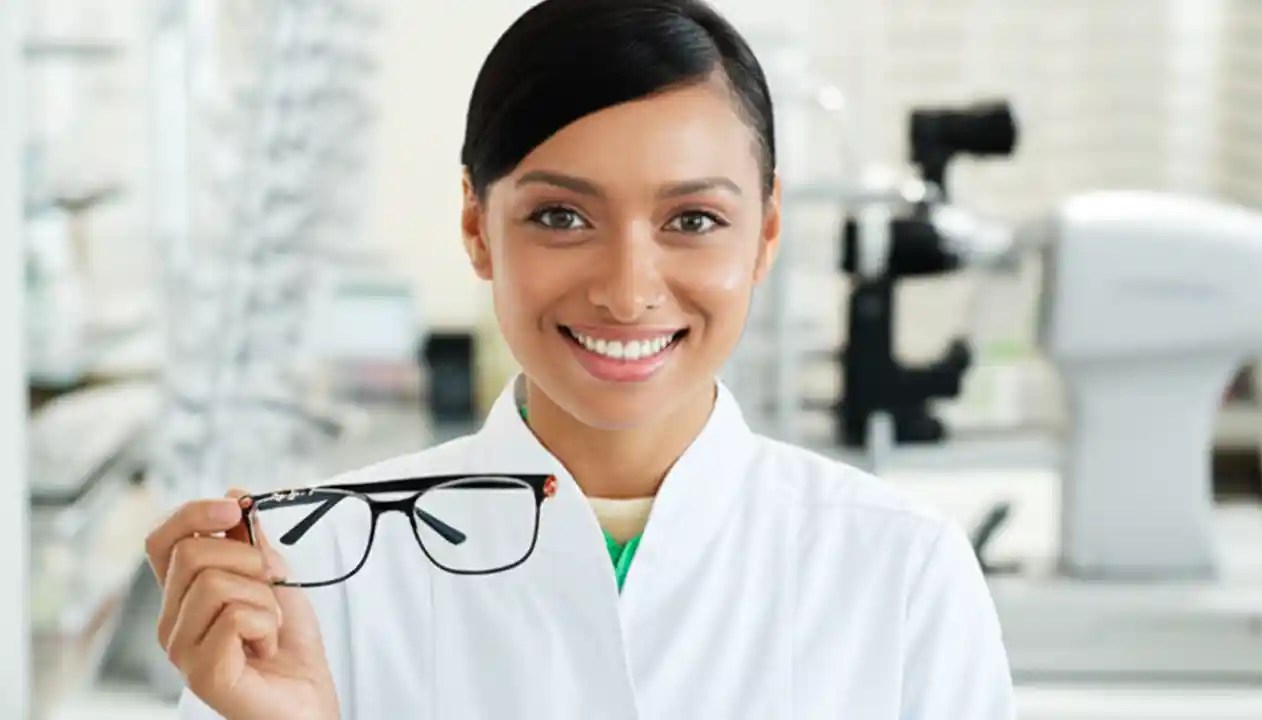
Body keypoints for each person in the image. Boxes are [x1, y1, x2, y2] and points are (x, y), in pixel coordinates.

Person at [145, 0, 1014, 717]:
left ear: (767, 232)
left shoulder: (900, 572)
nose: (628, 291)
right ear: (476, 226)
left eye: (693, 220)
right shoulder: (316, 580)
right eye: (563, 217)